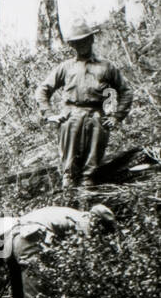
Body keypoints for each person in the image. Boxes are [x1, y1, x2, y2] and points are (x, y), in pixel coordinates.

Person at [35, 18, 133, 189]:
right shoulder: (66, 67)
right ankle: (68, 192)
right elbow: (43, 90)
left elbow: (126, 91)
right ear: (72, 45)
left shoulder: (106, 67)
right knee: (69, 169)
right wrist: (50, 115)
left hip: (96, 117)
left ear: (92, 39)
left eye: (85, 40)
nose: (82, 45)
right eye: (77, 42)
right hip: (71, 117)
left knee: (91, 168)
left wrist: (117, 116)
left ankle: (88, 192)